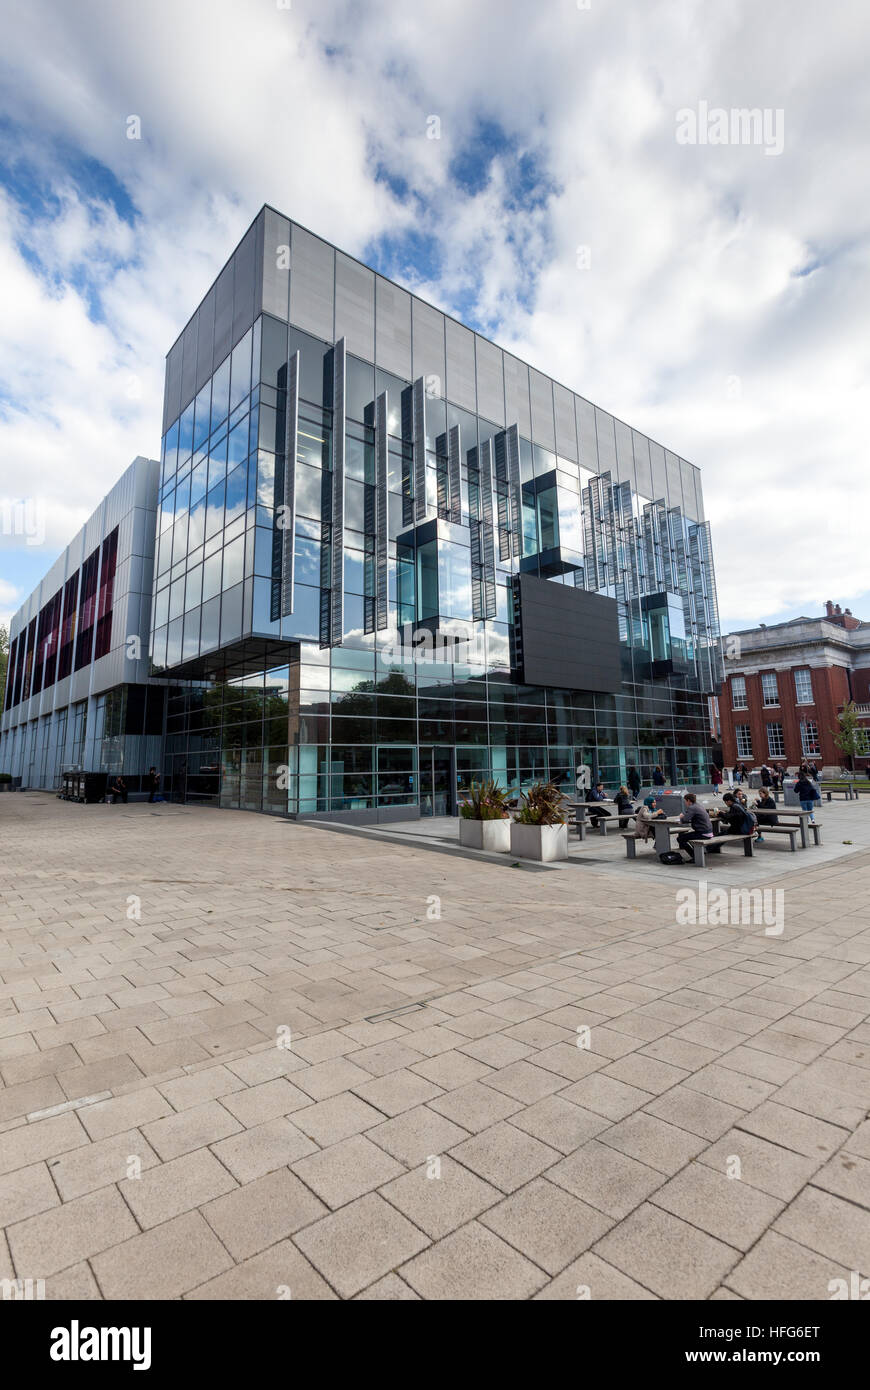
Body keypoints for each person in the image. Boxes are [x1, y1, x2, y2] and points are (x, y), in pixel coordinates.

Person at [676, 793, 715, 861]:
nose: (685, 803)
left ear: (688, 800)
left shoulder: (692, 807)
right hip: (709, 832)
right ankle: (696, 854)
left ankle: (695, 856)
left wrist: (681, 817)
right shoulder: (699, 806)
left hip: (703, 833)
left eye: (685, 801)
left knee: (680, 838)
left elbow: (685, 820)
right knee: (685, 836)